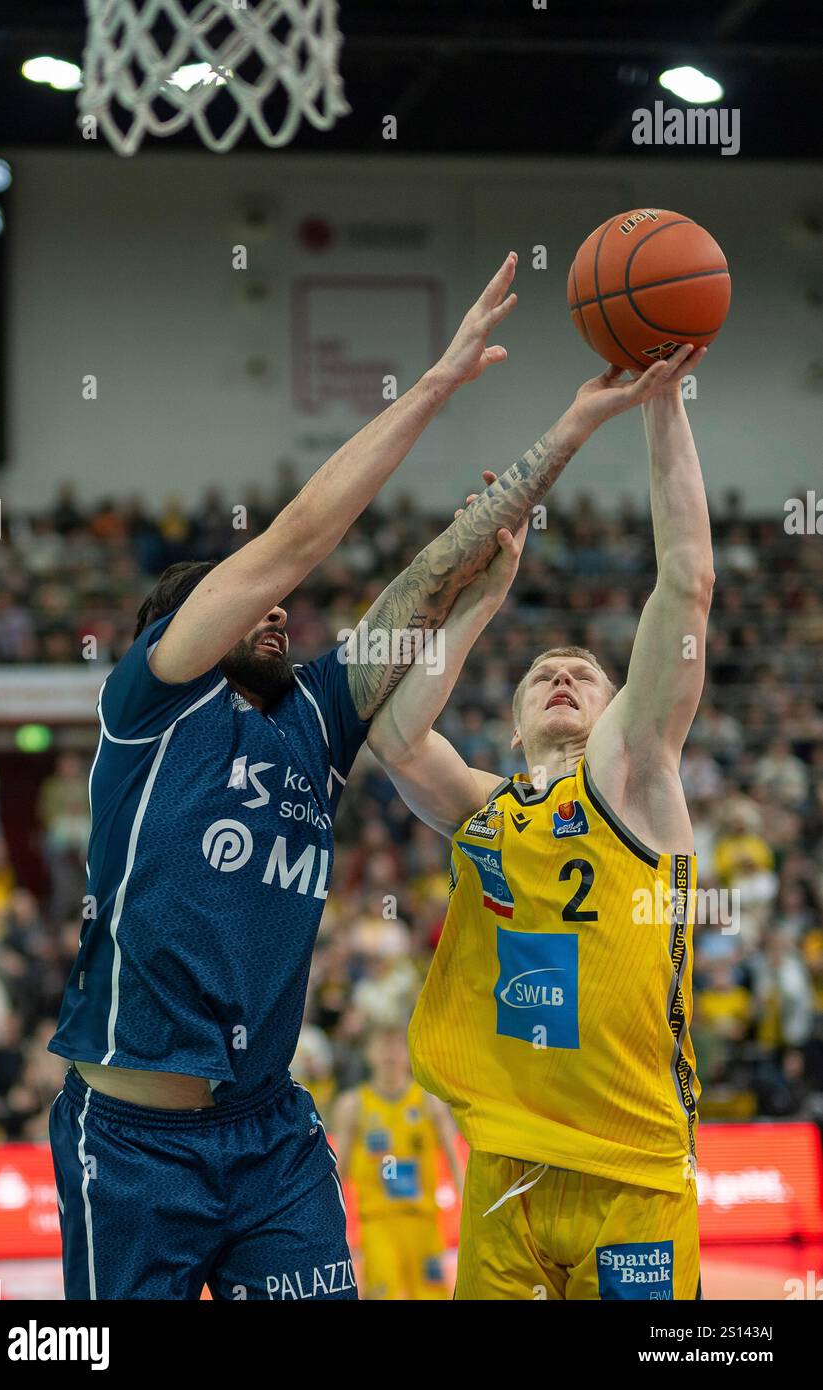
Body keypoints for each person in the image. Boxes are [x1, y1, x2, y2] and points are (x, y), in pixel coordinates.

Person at [47, 253, 631, 1302]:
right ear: (175, 632)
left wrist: (566, 432)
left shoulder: (312, 718)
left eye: (277, 610)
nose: (274, 612)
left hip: (268, 1131)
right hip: (132, 1140)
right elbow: (291, 545)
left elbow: (432, 573)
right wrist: (436, 384)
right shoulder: (154, 705)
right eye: (239, 604)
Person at [369, 344, 711, 1299]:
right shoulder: (486, 809)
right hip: (504, 1167)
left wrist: (661, 404)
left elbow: (684, 585)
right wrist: (482, 597)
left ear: (614, 710)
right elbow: (397, 738)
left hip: (631, 1168)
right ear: (514, 722)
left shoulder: (631, 779)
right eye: (539, 676)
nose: (560, 677)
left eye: (582, 674)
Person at [333, 1025, 463, 1300]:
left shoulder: (430, 1102)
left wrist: (470, 1216)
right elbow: (337, 1175)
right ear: (369, 1053)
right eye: (383, 1046)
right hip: (378, 1224)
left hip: (425, 1222)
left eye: (396, 1047)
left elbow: (456, 1161)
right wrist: (336, 1230)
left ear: (407, 1053)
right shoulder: (353, 1105)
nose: (389, 1055)